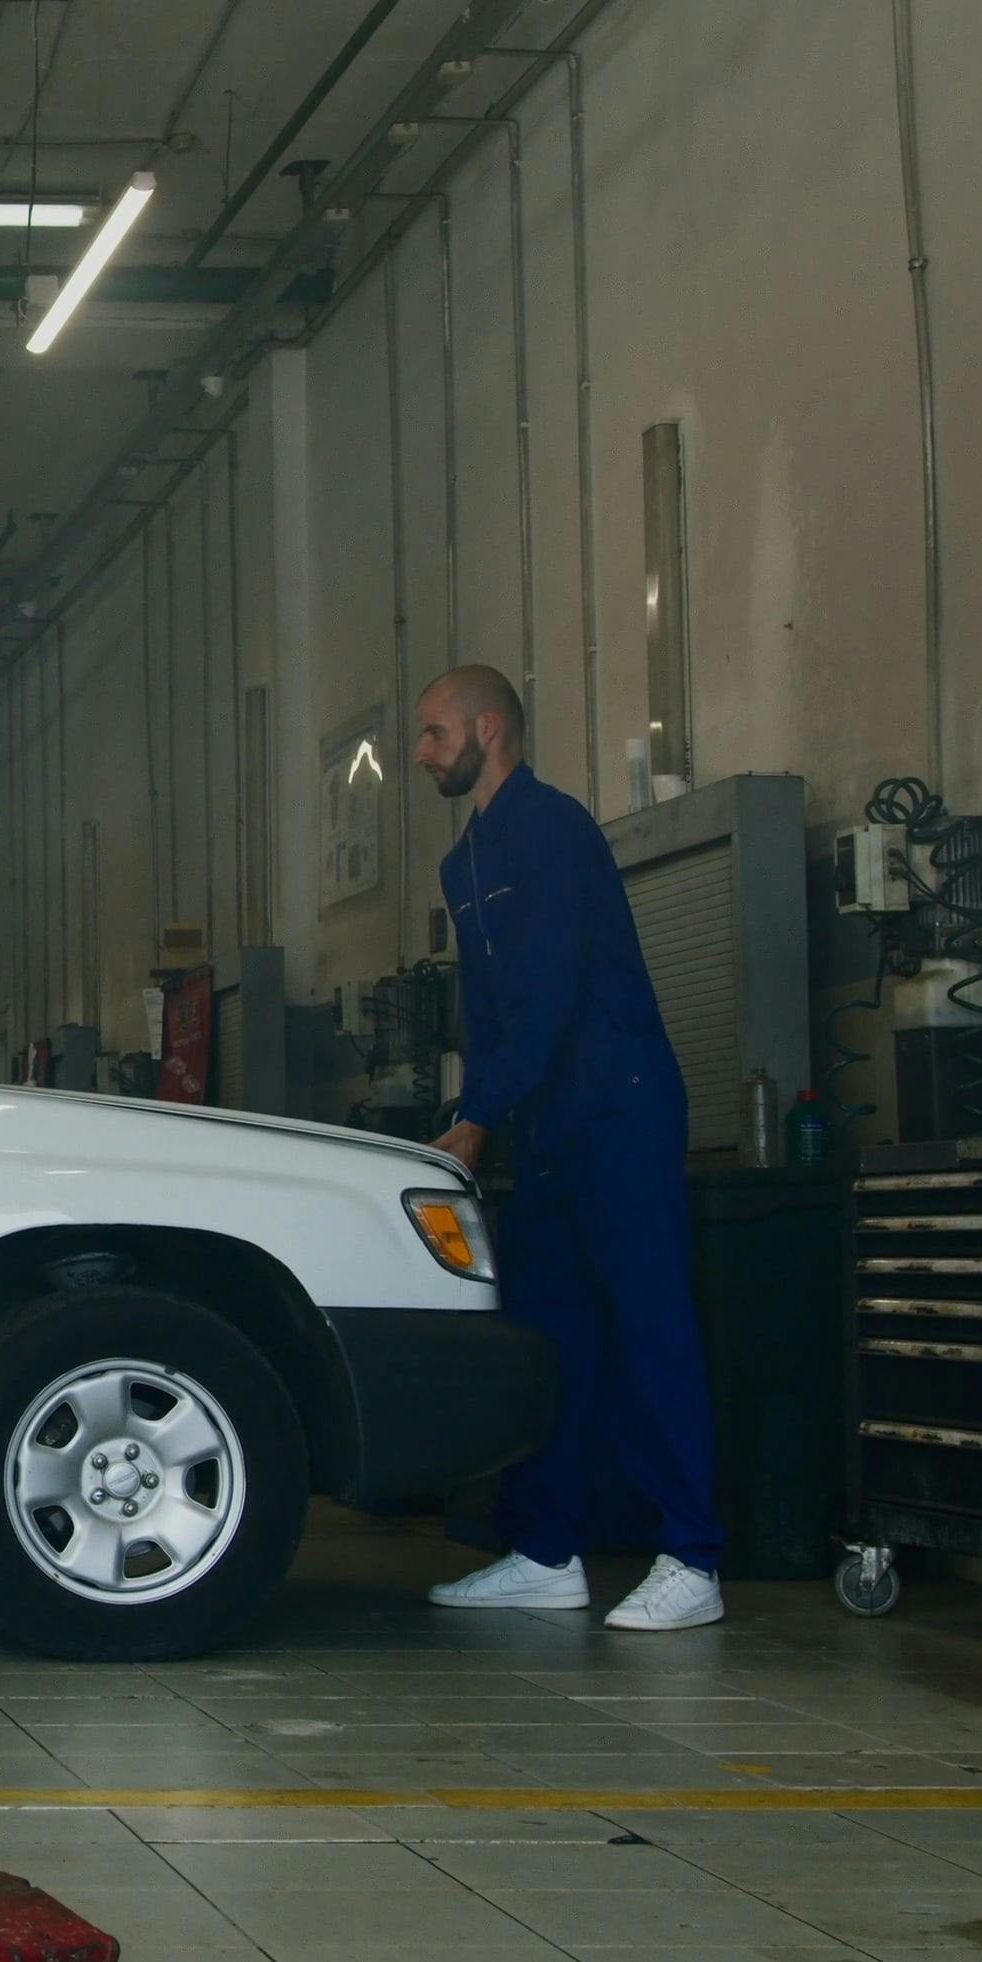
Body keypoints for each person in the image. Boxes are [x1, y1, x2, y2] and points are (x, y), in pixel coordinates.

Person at [407, 666, 725, 1632]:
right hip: (544, 1132)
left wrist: (477, 1117)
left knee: (651, 1327)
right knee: (550, 1343)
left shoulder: (554, 831)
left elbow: (549, 990)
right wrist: (481, 1114)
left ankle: (694, 1558)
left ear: (488, 729)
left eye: (433, 735)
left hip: (618, 1114)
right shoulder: (462, 866)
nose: (422, 754)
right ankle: (547, 1551)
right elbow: (492, 1015)